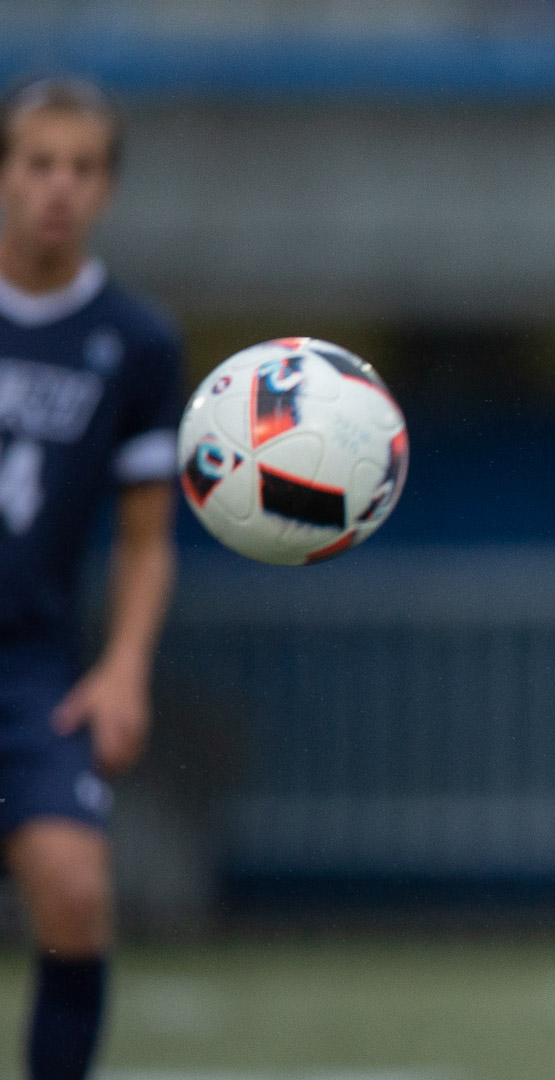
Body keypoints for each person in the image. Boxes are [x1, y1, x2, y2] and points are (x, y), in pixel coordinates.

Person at [0, 77, 183, 1080]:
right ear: (4, 174)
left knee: (73, 890)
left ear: (107, 186)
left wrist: (123, 669)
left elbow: (146, 537)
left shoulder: (138, 343)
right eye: (39, 163)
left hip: (31, 664)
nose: (58, 187)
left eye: (82, 167)